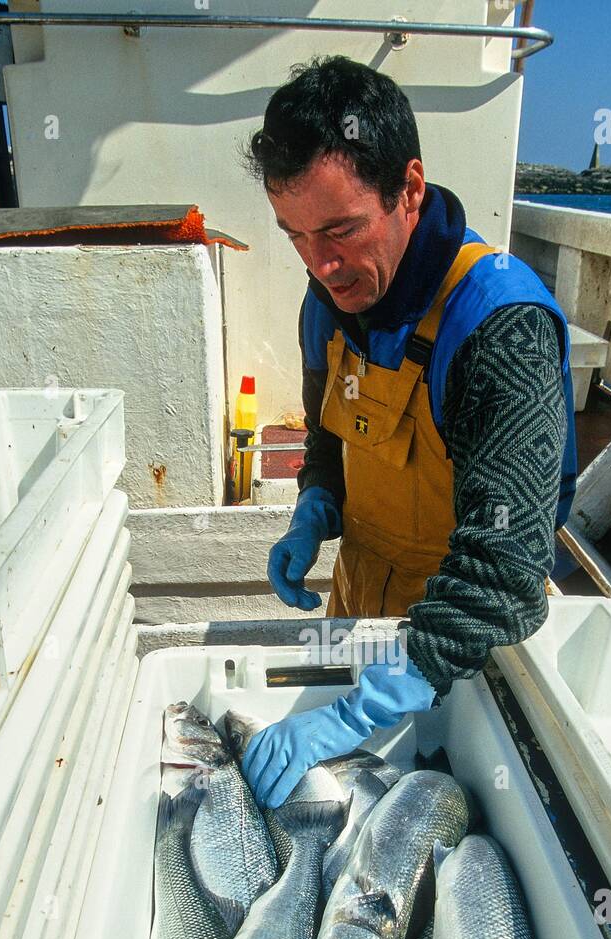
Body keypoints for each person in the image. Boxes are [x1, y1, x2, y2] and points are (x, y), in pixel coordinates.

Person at [240, 56, 577, 809]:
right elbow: (328, 434)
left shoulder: (499, 325)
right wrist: (315, 507)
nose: (321, 263)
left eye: (341, 230)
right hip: (357, 602)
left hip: (460, 649)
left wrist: (358, 715)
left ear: (410, 190)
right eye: (294, 235)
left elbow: (505, 571)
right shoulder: (328, 296)